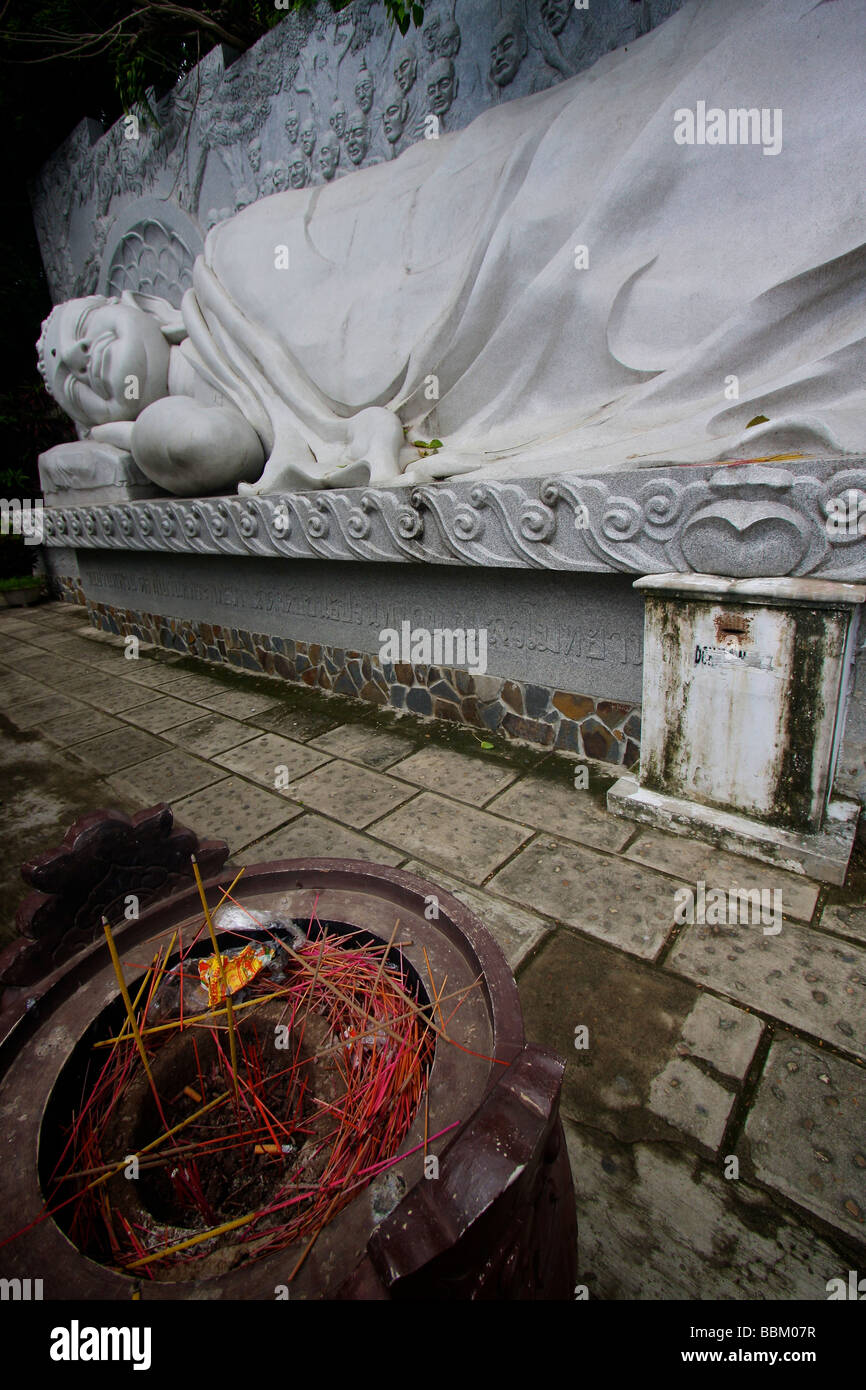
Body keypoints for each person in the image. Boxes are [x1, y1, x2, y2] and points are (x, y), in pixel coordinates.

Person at [36, 0, 866, 496]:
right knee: (577, 265)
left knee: (562, 162)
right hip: (469, 337)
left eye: (83, 327)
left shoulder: (225, 257)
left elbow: (395, 194)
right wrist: (123, 441)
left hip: (452, 211)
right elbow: (195, 449)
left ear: (145, 303)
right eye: (72, 379)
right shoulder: (194, 419)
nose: (81, 356)